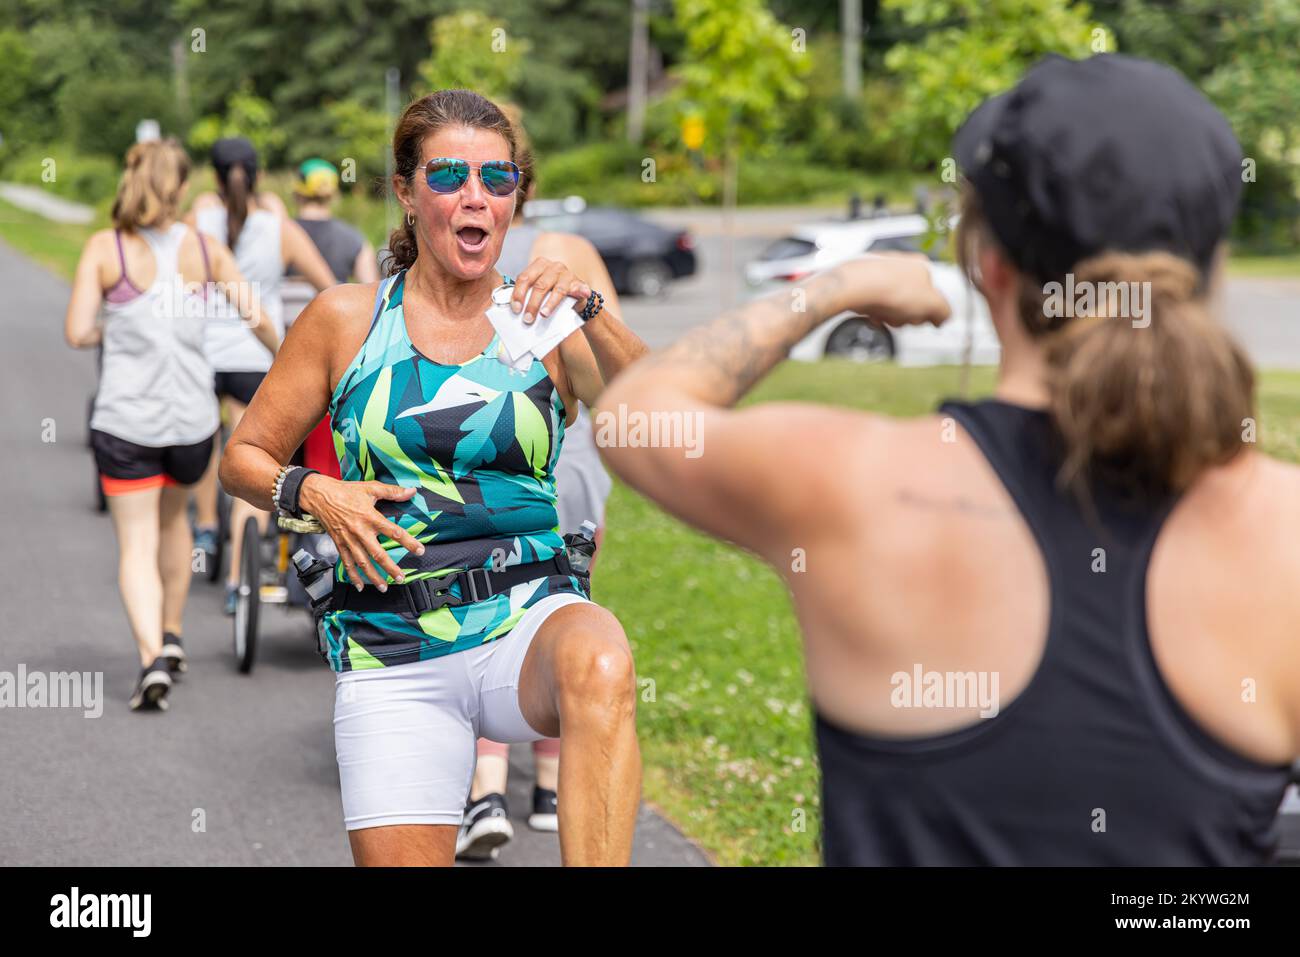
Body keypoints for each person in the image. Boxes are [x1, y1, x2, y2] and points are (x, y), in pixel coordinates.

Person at [599, 53, 1300, 865]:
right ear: (1209, 266)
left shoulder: (857, 487)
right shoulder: (1285, 535)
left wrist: (832, 289)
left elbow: (637, 416)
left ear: (987, 262)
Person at [219, 88, 649, 866]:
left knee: (603, 657)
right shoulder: (347, 318)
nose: (475, 196)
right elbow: (243, 456)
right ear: (407, 194)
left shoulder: (543, 319)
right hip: (391, 646)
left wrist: (592, 308)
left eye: (498, 178)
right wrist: (315, 492)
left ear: (517, 196)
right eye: (449, 176)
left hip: (526, 620)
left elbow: (663, 418)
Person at [64, 139, 279, 711]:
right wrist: (289, 362)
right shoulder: (204, 250)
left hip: (125, 422)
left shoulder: (105, 249)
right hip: (190, 423)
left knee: (136, 545)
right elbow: (255, 315)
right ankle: (175, 634)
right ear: (182, 187)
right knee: (175, 527)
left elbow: (77, 330)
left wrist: (121, 322)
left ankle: (150, 656)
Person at [456, 136, 619, 859]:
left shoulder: (467, 251)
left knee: (497, 607)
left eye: (492, 174)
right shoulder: (571, 246)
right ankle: (551, 788)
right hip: (576, 462)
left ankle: (486, 787)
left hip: (510, 457)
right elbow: (613, 378)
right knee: (562, 612)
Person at [185, 137, 336, 613]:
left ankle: (206, 527)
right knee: (250, 456)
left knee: (210, 442)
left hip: (201, 356)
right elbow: (329, 287)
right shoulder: (278, 227)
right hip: (255, 358)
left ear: (215, 176)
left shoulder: (198, 223)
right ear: (258, 175)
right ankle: (237, 581)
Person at [290, 158, 379, 284]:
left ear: (297, 193)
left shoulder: (278, 235)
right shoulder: (355, 239)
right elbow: (372, 293)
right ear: (333, 195)